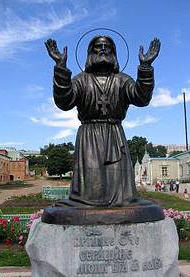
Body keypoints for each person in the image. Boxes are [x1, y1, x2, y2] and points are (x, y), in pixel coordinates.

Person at [45, 35, 160, 207]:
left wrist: (145, 67)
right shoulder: (81, 80)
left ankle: (121, 201)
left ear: (114, 53)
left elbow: (141, 98)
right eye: (98, 47)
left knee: (118, 184)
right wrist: (60, 67)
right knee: (91, 182)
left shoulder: (122, 80)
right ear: (90, 53)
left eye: (107, 47)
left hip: (115, 134)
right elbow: (64, 101)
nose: (103, 50)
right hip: (89, 136)